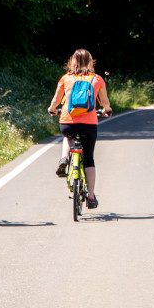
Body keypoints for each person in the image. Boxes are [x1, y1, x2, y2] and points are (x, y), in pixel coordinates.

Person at [47, 48, 112, 209]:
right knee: (89, 158)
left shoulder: (66, 78)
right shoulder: (97, 79)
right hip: (89, 125)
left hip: (68, 122)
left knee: (68, 136)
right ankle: (90, 197)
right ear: (90, 62)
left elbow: (56, 100)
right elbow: (105, 103)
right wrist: (106, 110)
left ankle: (64, 158)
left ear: (72, 62)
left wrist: (52, 109)